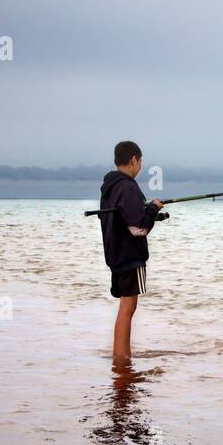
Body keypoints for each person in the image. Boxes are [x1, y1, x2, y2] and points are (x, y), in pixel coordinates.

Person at [99, 140, 164, 363]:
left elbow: (124, 217)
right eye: (140, 161)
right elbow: (138, 229)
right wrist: (153, 208)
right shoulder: (128, 186)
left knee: (125, 307)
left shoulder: (110, 186)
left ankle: (121, 354)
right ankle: (121, 356)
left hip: (115, 254)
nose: (141, 166)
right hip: (129, 256)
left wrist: (149, 211)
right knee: (129, 307)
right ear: (134, 159)